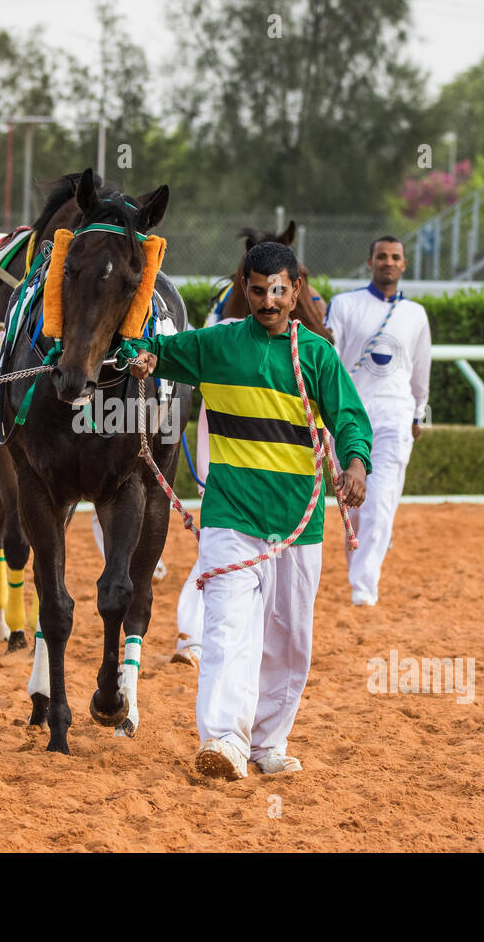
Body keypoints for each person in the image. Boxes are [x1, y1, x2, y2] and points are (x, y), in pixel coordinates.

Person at [129, 241, 372, 780]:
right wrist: (142, 356)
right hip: (231, 517)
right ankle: (223, 741)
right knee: (226, 630)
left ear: (296, 292)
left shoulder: (317, 356)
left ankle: (267, 743)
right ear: (245, 288)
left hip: (298, 524)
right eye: (258, 291)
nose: (268, 302)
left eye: (279, 291)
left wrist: (355, 464)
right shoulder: (215, 345)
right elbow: (154, 347)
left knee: (289, 638)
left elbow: (350, 418)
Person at [325, 236, 430, 607]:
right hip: (350, 418)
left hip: (396, 416)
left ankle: (364, 585)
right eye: (382, 256)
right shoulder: (344, 305)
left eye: (395, 257)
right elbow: (329, 362)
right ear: (370, 262)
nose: (388, 262)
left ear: (404, 265)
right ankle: (360, 572)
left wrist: (419, 412)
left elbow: (421, 369)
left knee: (381, 501)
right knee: (352, 506)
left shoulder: (416, 314)